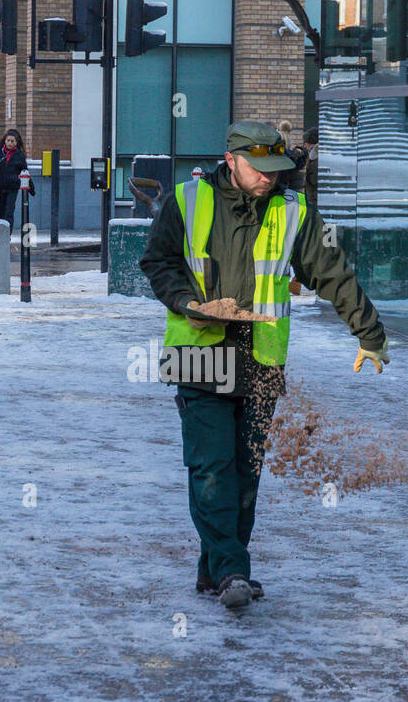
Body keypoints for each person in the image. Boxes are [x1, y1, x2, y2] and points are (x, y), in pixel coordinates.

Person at [138, 121, 390, 609]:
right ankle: (232, 568)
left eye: (276, 170)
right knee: (211, 467)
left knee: (245, 475)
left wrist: (369, 333)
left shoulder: (293, 212)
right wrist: (187, 301)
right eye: (260, 169)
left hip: (261, 357)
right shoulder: (187, 201)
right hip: (199, 352)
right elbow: (158, 262)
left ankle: (215, 570)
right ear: (230, 161)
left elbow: (331, 272)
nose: (269, 179)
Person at [0, 129, 27, 230]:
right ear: (5, 141)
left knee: (9, 213)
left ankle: (7, 234)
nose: (10, 143)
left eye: (12, 141)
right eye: (8, 141)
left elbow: (25, 171)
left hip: (12, 188)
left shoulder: (19, 156)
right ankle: (0, 234)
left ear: (16, 143)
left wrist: (31, 189)